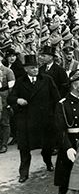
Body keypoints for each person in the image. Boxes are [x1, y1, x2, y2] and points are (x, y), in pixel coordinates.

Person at [8, 54, 60, 183]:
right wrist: (17, 100)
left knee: (47, 146)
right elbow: (10, 98)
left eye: (36, 67)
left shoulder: (47, 80)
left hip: (45, 119)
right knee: (25, 149)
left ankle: (48, 162)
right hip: (27, 121)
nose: (35, 70)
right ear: (26, 69)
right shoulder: (20, 82)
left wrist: (55, 115)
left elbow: (56, 98)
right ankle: (24, 173)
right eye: (32, 68)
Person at [0, 49, 16, 153]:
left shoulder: (7, 71)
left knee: (4, 122)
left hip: (4, 98)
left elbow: (12, 88)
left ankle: (4, 144)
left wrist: (10, 102)